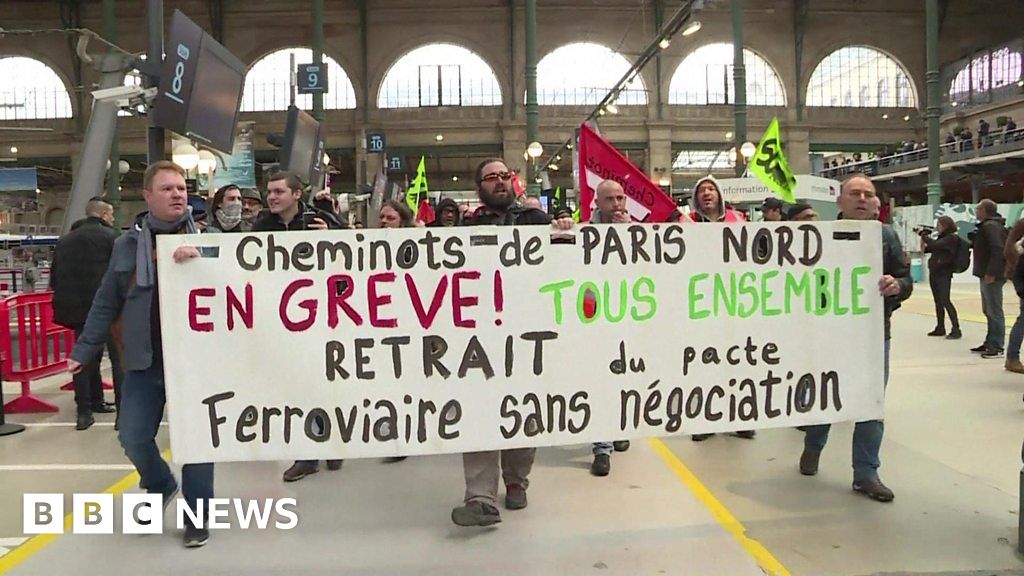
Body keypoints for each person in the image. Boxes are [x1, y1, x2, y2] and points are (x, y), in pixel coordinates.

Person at [67, 161, 214, 547]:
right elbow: (105, 302)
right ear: (148, 196)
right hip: (144, 362)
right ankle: (160, 483)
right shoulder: (126, 246)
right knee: (132, 435)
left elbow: (240, 289)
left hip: (196, 363)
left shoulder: (210, 240)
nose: (177, 195)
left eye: (181, 188)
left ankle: (198, 517)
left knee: (196, 441)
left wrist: (204, 262)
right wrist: (84, 349)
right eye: (167, 189)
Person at [450, 158, 572, 527]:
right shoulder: (463, 228)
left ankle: (516, 480)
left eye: (506, 176)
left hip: (528, 330)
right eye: (492, 177)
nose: (501, 182)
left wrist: (565, 235)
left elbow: (563, 269)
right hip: (478, 333)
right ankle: (480, 496)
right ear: (479, 186)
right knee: (480, 410)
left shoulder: (536, 222)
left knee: (524, 408)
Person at [799, 173, 912, 503]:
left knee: (870, 403)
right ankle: (813, 448)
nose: (862, 198)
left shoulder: (886, 237)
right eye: (854, 193)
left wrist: (898, 286)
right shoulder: (819, 238)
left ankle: (866, 473)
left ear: (876, 202)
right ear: (840, 201)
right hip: (829, 336)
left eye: (868, 194)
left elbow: (905, 279)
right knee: (825, 396)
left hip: (874, 337)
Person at [253, 171, 344, 482]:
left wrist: (332, 238)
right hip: (282, 319)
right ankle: (307, 453)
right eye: (270, 192)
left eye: (279, 191)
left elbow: (352, 263)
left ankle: (332, 441)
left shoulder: (323, 220)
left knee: (326, 383)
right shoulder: (262, 225)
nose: (272, 197)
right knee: (297, 386)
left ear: (296, 194)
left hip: (324, 317)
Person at [686, 176, 753, 442]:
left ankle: (740, 418)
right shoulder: (686, 223)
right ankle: (705, 419)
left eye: (711, 188)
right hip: (700, 304)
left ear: (719, 194)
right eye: (701, 189)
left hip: (735, 302)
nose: (706, 193)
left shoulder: (738, 220)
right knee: (704, 363)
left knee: (738, 361)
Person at [51, 198, 121, 430]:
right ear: (103, 215)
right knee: (118, 359)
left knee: (83, 359)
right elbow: (120, 273)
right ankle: (122, 415)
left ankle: (86, 410)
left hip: (76, 308)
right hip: (107, 308)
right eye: (110, 215)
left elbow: (54, 277)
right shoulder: (111, 238)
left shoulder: (65, 241)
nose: (112, 219)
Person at [586, 180, 632, 477]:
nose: (616, 204)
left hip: (628, 314)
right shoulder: (581, 232)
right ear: (597, 202)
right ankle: (601, 447)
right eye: (610, 199)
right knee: (599, 379)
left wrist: (631, 236)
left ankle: (619, 424)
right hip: (592, 317)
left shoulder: (638, 231)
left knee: (622, 377)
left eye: (620, 198)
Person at [971, 199, 1007, 358]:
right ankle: (990, 341)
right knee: (988, 309)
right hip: (987, 273)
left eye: (978, 209)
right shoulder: (990, 226)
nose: (976, 212)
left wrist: (992, 271)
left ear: (985, 211)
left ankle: (997, 345)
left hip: (991, 274)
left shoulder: (990, 226)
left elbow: (997, 249)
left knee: (994, 310)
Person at [921, 216, 961, 339]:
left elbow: (935, 245)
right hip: (935, 271)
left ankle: (956, 328)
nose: (938, 227)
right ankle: (940, 326)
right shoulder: (941, 238)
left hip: (944, 273)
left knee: (945, 300)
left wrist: (924, 236)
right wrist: (923, 238)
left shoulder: (951, 238)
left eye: (939, 224)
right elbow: (927, 249)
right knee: (938, 301)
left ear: (946, 225)